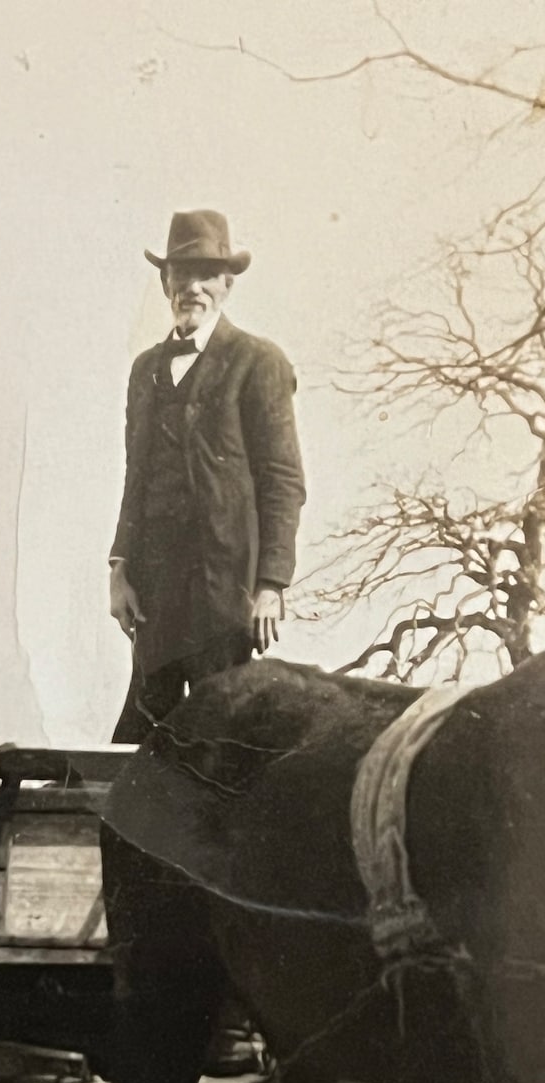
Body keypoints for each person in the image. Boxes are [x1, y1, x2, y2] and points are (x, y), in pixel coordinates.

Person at [109, 209, 306, 743]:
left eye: (205, 275)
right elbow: (137, 475)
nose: (191, 287)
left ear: (226, 283)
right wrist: (120, 567)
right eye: (180, 274)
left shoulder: (257, 361)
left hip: (227, 592)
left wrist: (271, 585)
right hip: (155, 592)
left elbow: (283, 480)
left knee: (225, 743)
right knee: (141, 745)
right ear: (165, 282)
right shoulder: (145, 370)